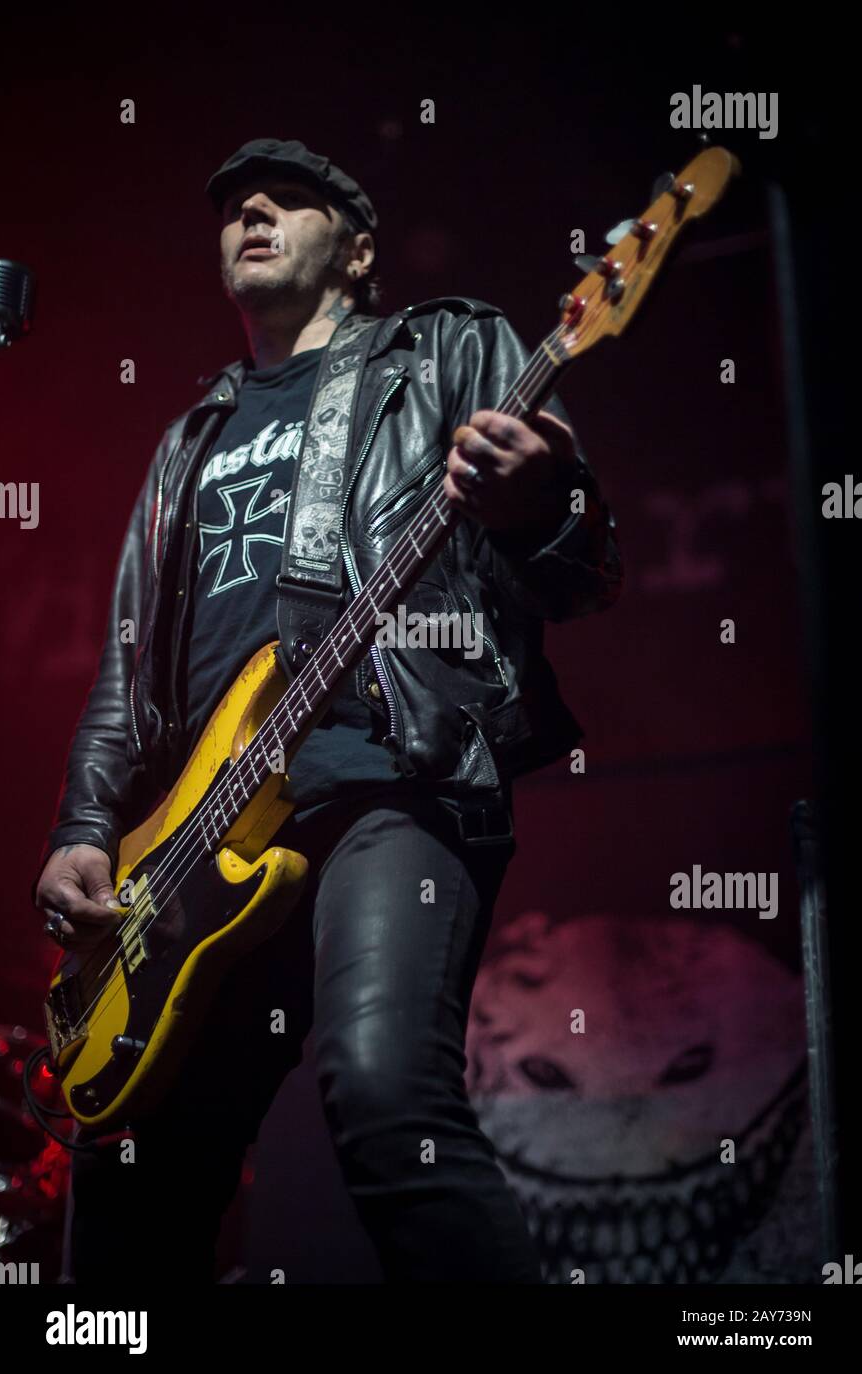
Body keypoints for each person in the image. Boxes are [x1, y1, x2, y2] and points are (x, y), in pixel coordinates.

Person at [33, 138, 623, 1283]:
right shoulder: (186, 439)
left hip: (386, 774)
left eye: (287, 199)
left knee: (382, 1085)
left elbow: (583, 578)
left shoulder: (449, 347)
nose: (249, 210)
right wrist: (85, 825)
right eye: (232, 207)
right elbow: (124, 666)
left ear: (356, 251)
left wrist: (533, 504)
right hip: (197, 849)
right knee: (122, 1201)